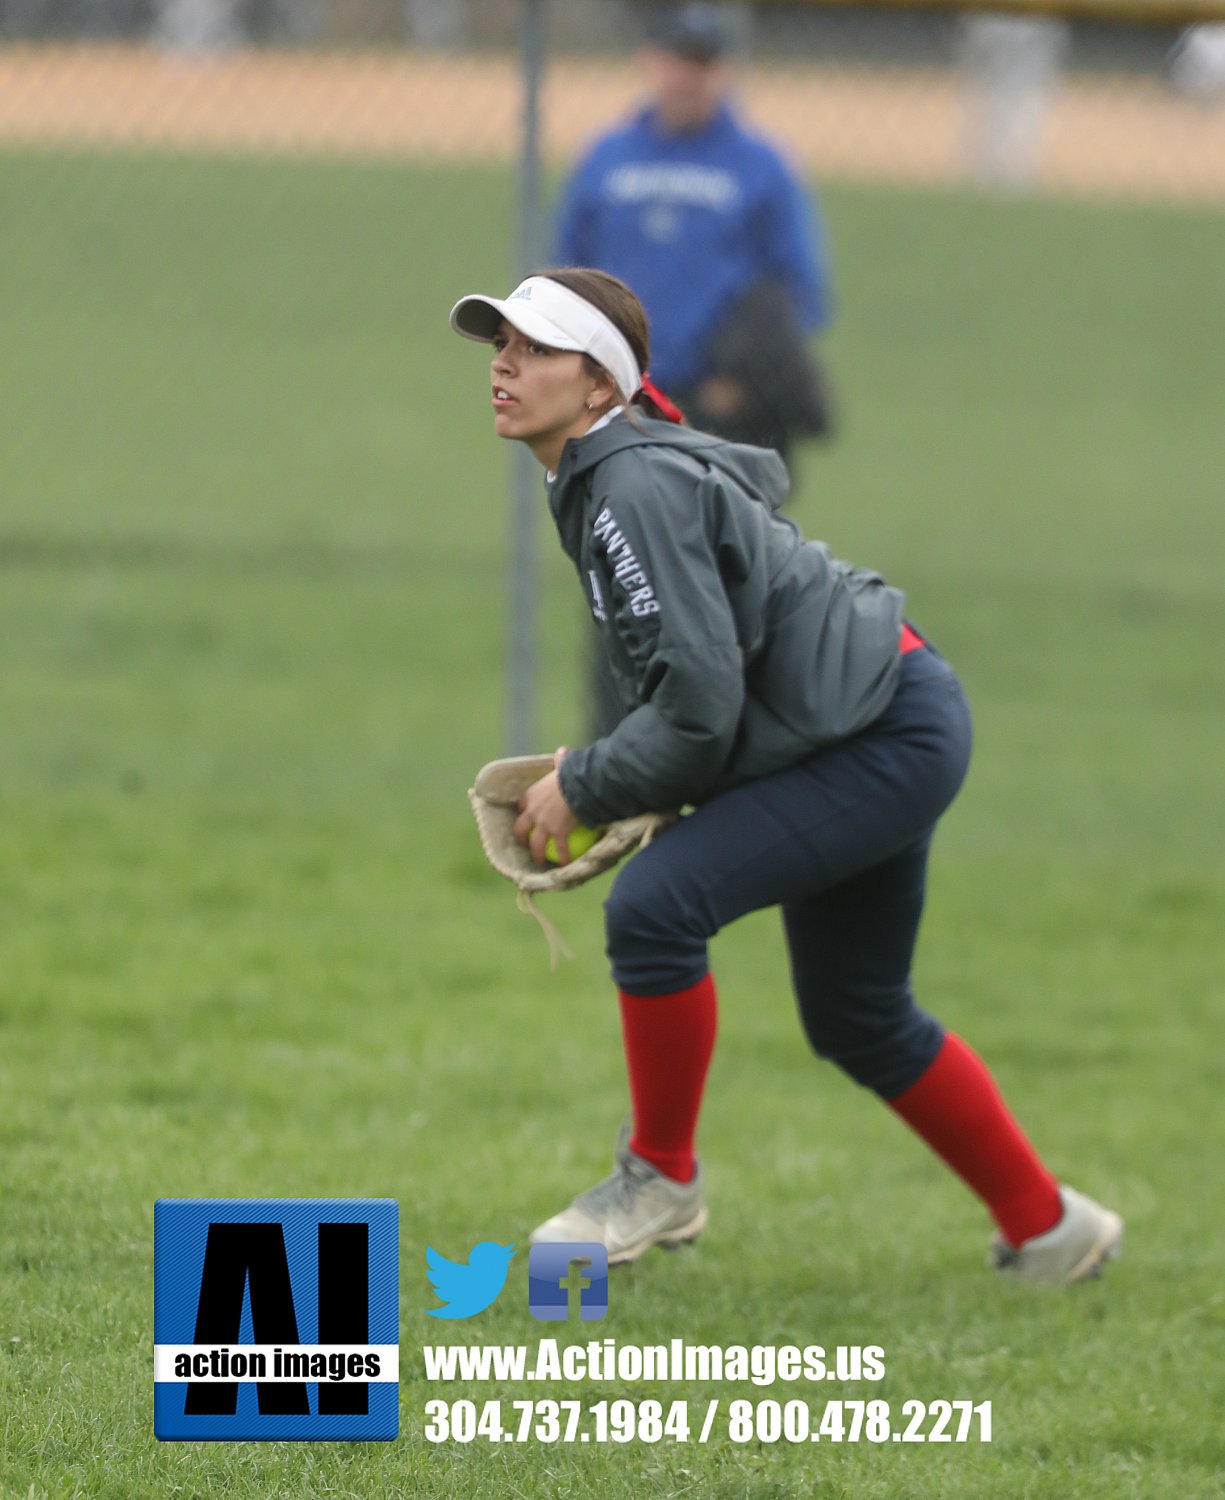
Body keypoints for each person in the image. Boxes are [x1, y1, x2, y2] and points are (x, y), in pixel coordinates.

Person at [448, 266, 1124, 1285]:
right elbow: (694, 682)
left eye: (536, 349)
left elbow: (699, 708)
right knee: (859, 1014)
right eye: (501, 344)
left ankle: (659, 1179)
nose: (504, 365)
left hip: (877, 734)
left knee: (655, 910)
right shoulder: (603, 474)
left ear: (598, 386)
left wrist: (591, 782)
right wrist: (612, 770)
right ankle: (1051, 1228)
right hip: (876, 715)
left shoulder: (626, 486)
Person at [553, 2, 832, 466]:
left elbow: (800, 289)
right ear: (650, 61)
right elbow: (565, 271)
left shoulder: (761, 166)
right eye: (677, 60)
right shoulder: (605, 157)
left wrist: (744, 383)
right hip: (618, 394)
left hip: (718, 405)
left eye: (702, 63)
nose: (687, 77)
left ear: (725, 71)